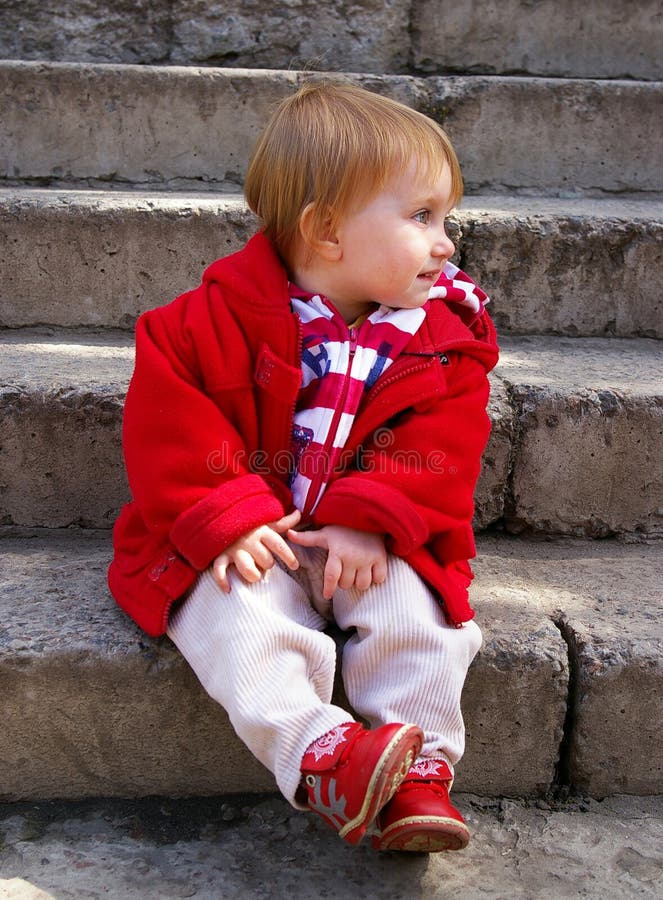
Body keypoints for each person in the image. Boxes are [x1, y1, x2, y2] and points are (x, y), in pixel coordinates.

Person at [108, 80, 499, 853]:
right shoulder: (199, 324)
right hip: (260, 533)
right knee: (232, 611)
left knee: (421, 619)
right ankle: (325, 755)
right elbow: (172, 429)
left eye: (444, 217)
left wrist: (368, 518)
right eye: (422, 217)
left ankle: (415, 769)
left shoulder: (441, 339)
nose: (446, 240)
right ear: (325, 231)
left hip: (378, 535)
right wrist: (227, 518)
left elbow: (445, 445)